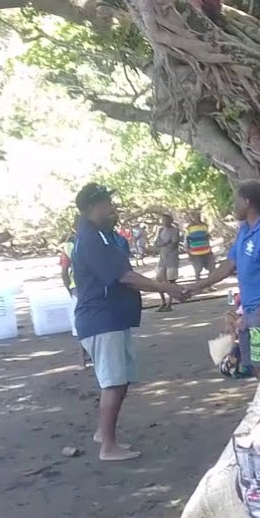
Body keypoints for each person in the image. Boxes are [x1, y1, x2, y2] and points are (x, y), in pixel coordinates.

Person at [71, 183, 187, 462]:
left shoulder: (101, 236)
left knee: (120, 380)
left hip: (112, 318)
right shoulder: (92, 240)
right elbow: (125, 276)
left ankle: (104, 433)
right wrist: (168, 288)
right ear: (91, 208)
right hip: (102, 319)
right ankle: (108, 447)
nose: (112, 208)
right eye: (106, 204)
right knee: (112, 382)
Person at [192, 181, 260, 376]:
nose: (233, 206)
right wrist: (198, 286)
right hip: (249, 311)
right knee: (254, 364)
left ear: (246, 202)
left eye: (235, 201)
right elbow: (230, 263)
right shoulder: (245, 230)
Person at [59, 229, 90, 367]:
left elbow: (64, 272)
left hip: (76, 288)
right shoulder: (93, 242)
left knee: (80, 322)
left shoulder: (67, 248)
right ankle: (87, 356)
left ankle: (82, 359)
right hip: (93, 286)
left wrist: (69, 290)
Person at [153, 213, 181, 312]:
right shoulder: (160, 230)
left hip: (172, 258)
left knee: (171, 281)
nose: (163, 222)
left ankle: (169, 303)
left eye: (165, 220)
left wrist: (163, 243)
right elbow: (156, 243)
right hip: (162, 258)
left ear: (170, 221)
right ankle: (163, 302)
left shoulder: (174, 230)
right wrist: (165, 243)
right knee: (159, 281)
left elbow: (174, 243)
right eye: (162, 220)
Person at [184, 212, 215, 281]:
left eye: (198, 216)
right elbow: (187, 241)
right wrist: (188, 252)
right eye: (195, 216)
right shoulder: (189, 228)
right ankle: (198, 286)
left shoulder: (204, 226)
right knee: (198, 270)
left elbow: (207, 237)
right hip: (195, 253)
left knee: (212, 267)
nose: (197, 218)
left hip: (206, 251)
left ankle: (209, 283)